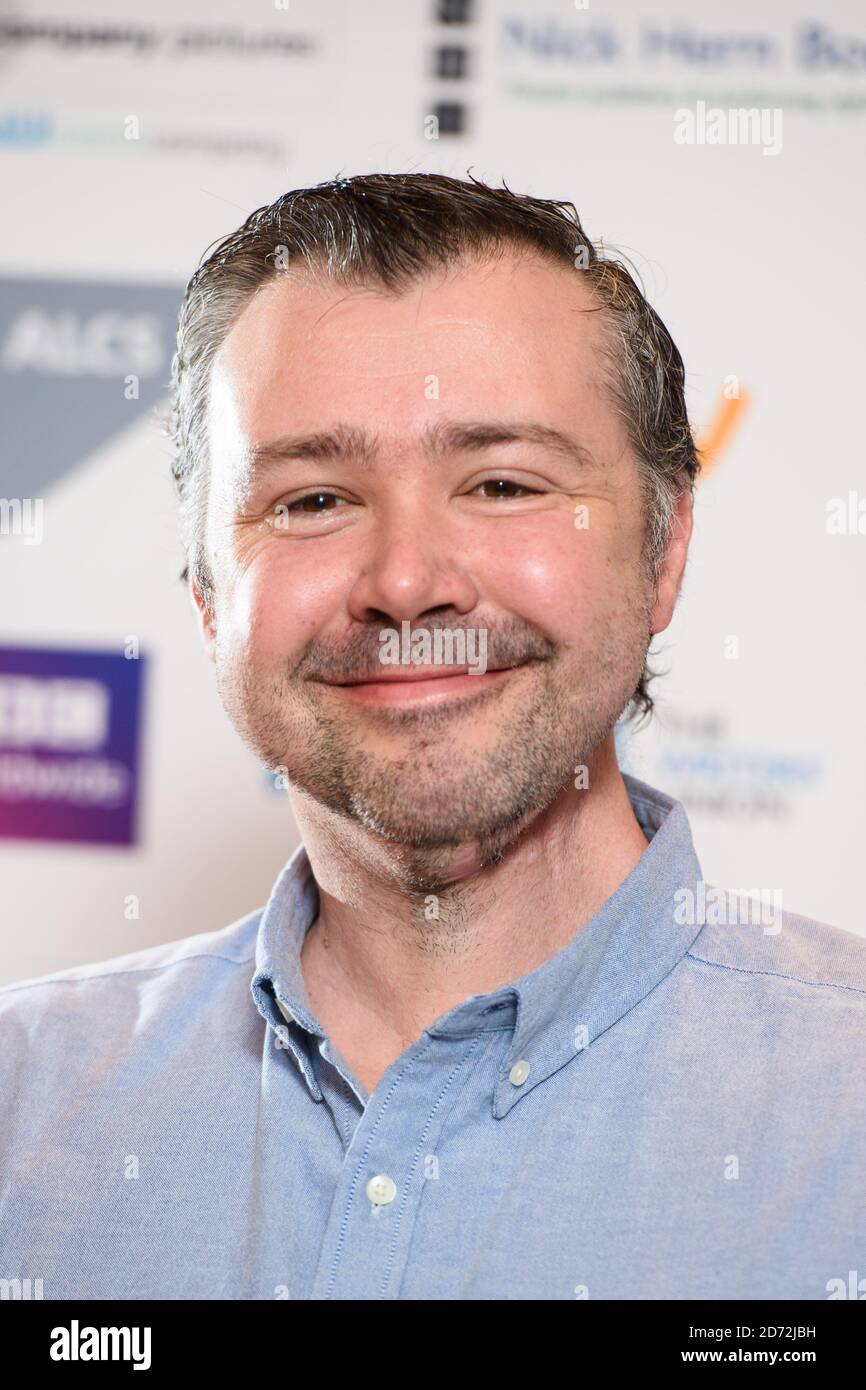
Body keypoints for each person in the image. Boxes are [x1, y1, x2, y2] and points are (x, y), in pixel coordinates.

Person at [2, 173, 863, 1301]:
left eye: (501, 483)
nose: (406, 583)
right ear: (209, 595)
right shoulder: (25, 1106)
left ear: (662, 554)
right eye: (311, 499)